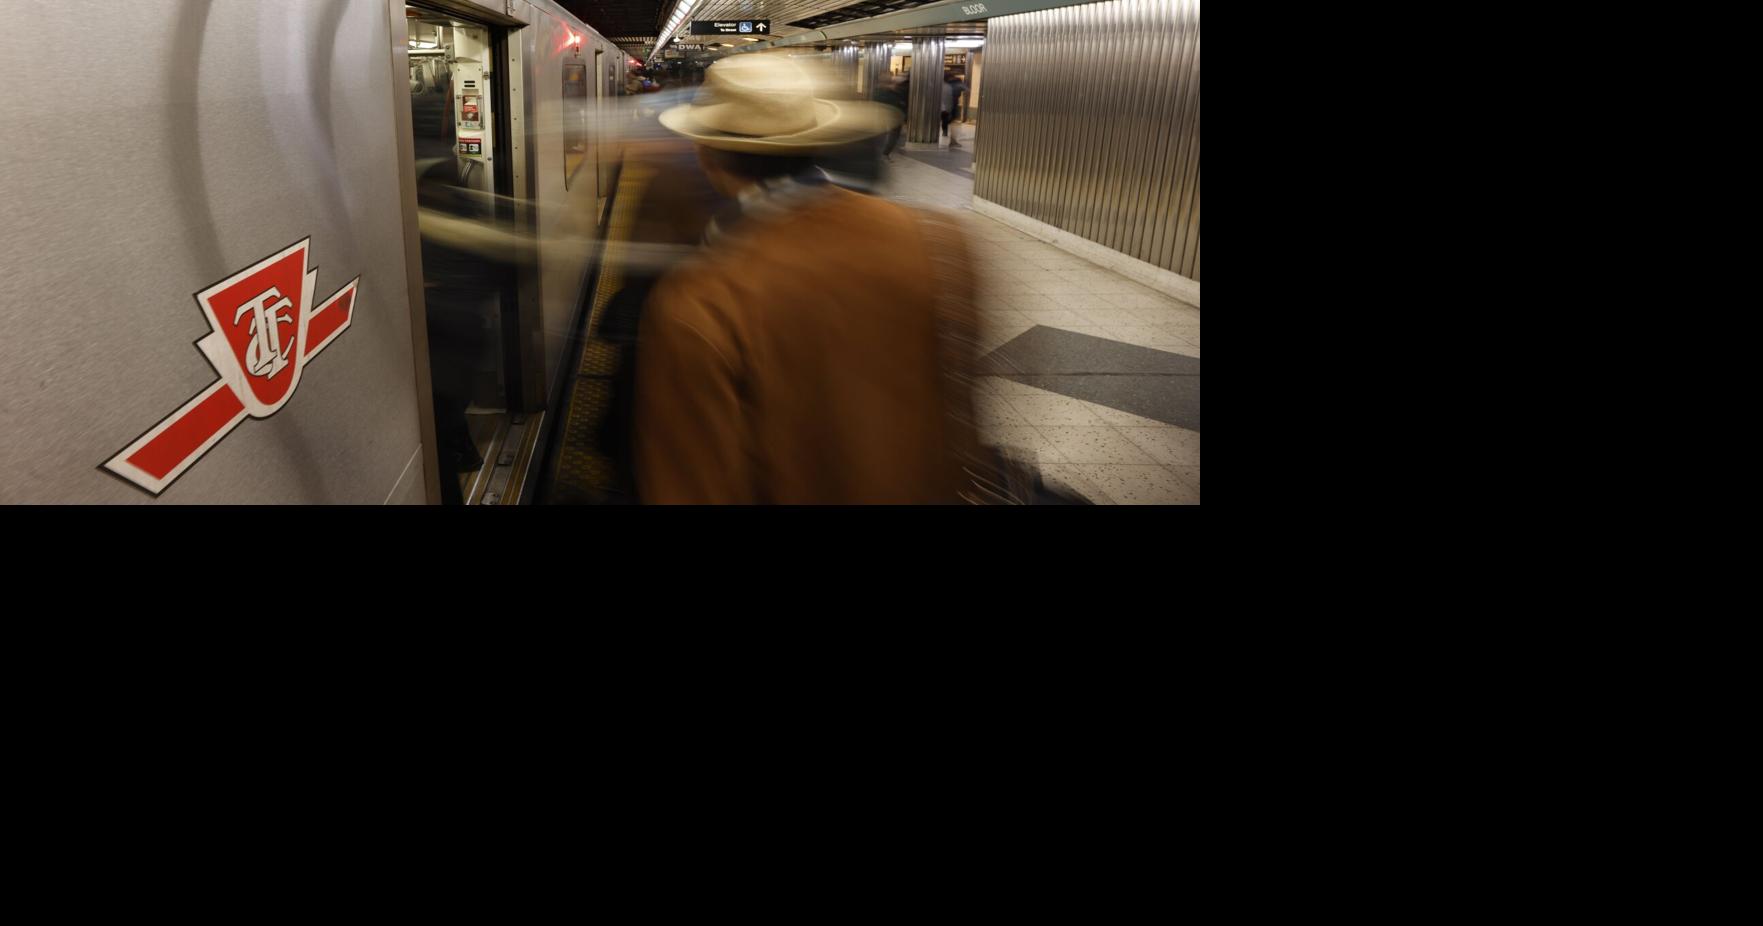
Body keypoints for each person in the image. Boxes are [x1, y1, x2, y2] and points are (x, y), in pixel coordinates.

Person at [633, 55, 986, 504]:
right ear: (813, 141)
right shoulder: (937, 238)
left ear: (705, 153)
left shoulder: (700, 302)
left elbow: (692, 485)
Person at [941, 71, 968, 148]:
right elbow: (966, 89)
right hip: (951, 105)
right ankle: (953, 141)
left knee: (945, 120)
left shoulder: (945, 85)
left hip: (945, 106)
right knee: (953, 123)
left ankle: (945, 132)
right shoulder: (957, 83)